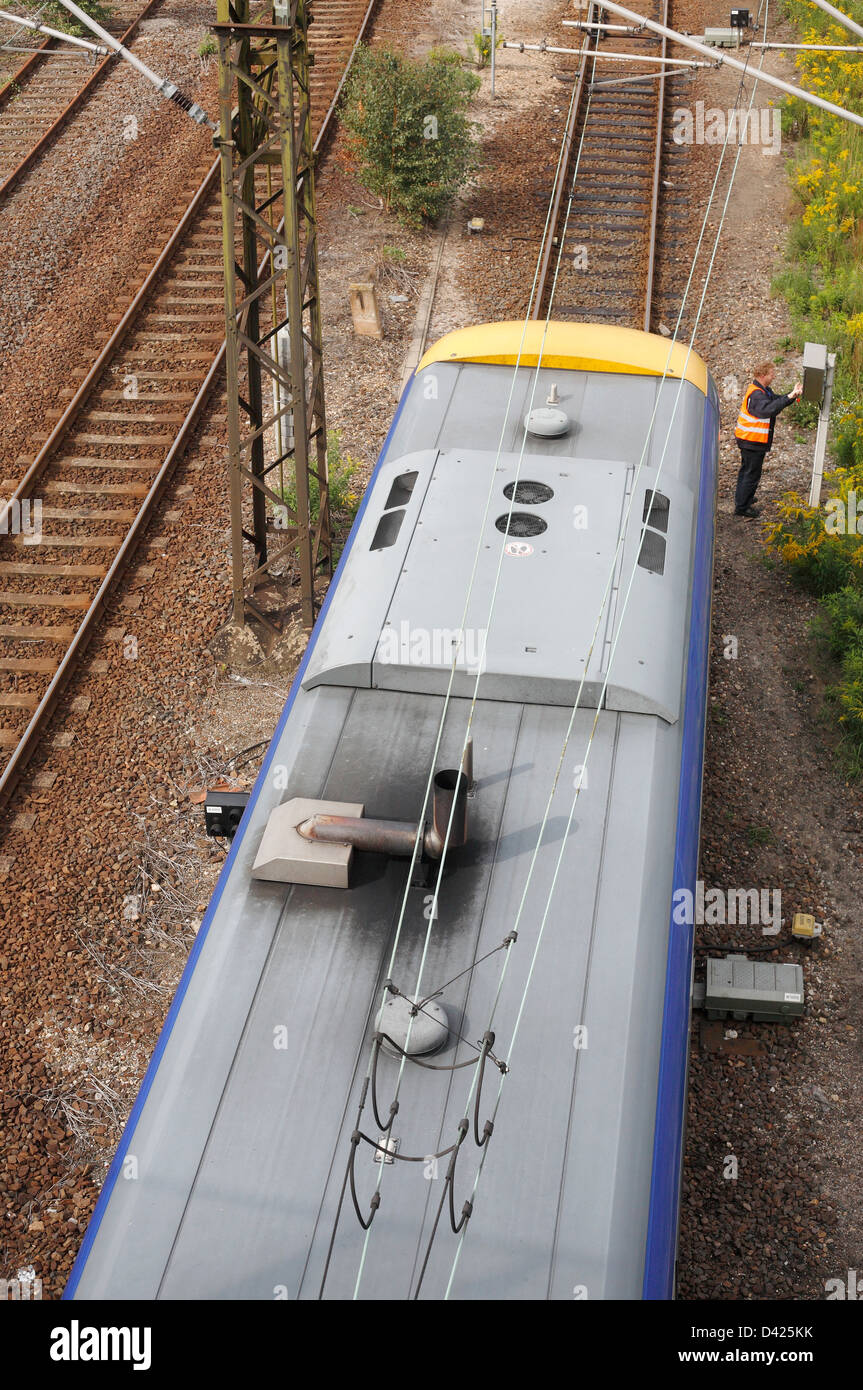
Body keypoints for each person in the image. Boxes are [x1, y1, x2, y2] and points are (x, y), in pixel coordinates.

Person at [733, 361, 802, 518]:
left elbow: (776, 401)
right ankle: (742, 507)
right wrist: (790, 396)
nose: (774, 376)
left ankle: (744, 497)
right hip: (752, 441)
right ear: (763, 375)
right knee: (751, 474)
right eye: (772, 374)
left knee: (747, 471)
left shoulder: (762, 390)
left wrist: (792, 395)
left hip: (749, 439)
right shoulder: (757, 395)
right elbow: (769, 409)